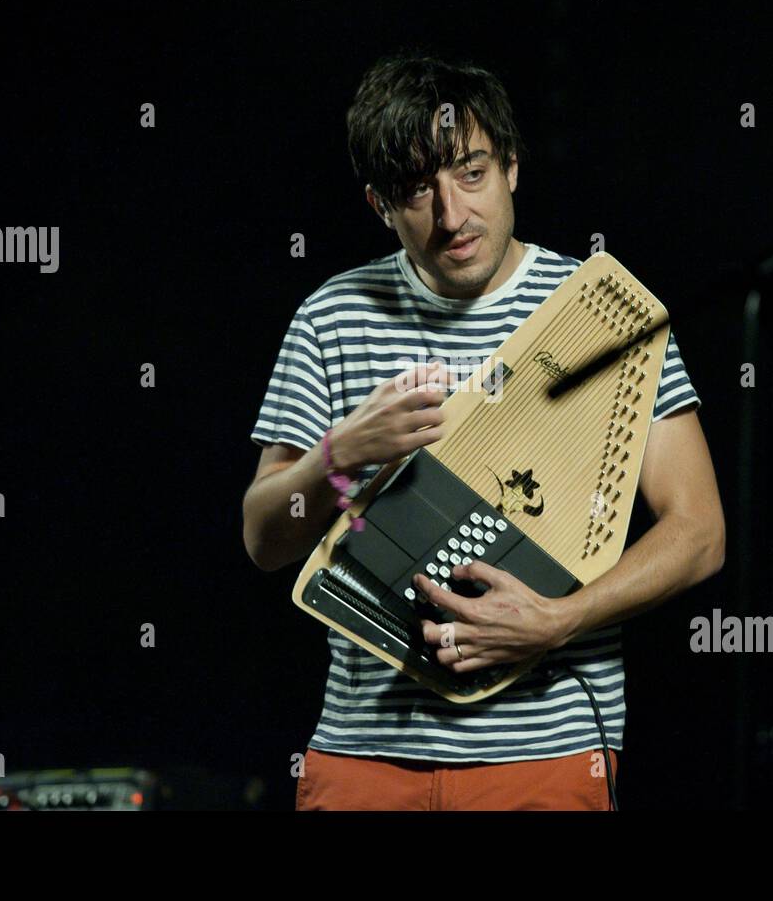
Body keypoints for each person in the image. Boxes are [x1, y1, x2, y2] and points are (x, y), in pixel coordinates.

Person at [243, 51, 725, 810]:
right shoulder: (332, 316)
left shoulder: (602, 312)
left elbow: (700, 531)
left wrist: (556, 620)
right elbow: (267, 539)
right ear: (378, 203)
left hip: (550, 756)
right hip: (365, 757)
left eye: (471, 173)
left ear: (510, 168)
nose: (452, 215)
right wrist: (342, 456)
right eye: (416, 190)